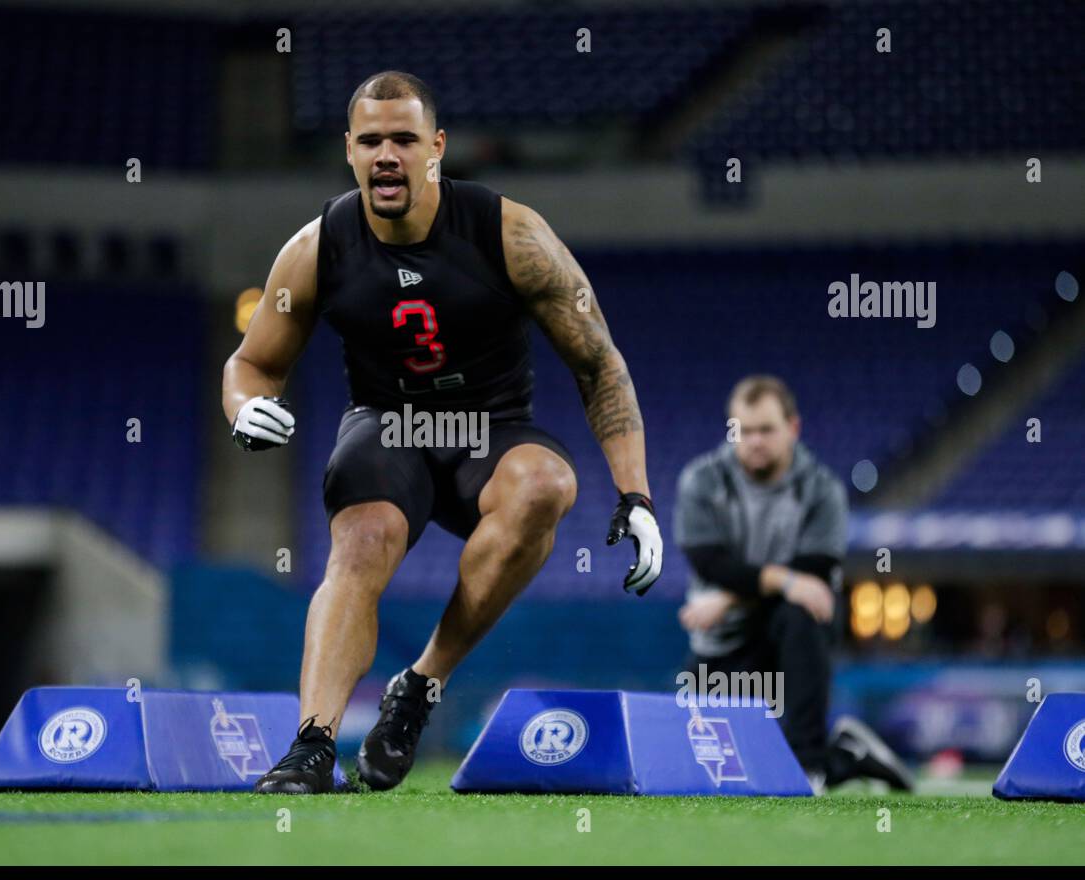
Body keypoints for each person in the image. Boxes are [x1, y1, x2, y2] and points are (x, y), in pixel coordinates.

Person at [221, 71, 663, 793]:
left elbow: (599, 365)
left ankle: (420, 684)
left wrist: (636, 496)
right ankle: (312, 744)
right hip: (386, 427)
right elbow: (252, 362)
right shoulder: (317, 247)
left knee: (548, 485)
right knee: (362, 541)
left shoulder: (512, 234)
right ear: (349, 151)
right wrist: (243, 406)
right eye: (371, 141)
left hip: (489, 431)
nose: (386, 155)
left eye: (404, 139)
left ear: (437, 148)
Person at [674, 374, 913, 792]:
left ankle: (810, 767)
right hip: (723, 641)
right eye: (743, 431)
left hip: (788, 637)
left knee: (803, 608)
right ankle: (847, 756)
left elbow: (815, 573)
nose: (754, 441)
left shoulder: (822, 489)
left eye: (766, 429)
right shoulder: (702, 480)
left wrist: (730, 598)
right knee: (703, 764)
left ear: (793, 428)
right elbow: (713, 565)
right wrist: (781, 580)